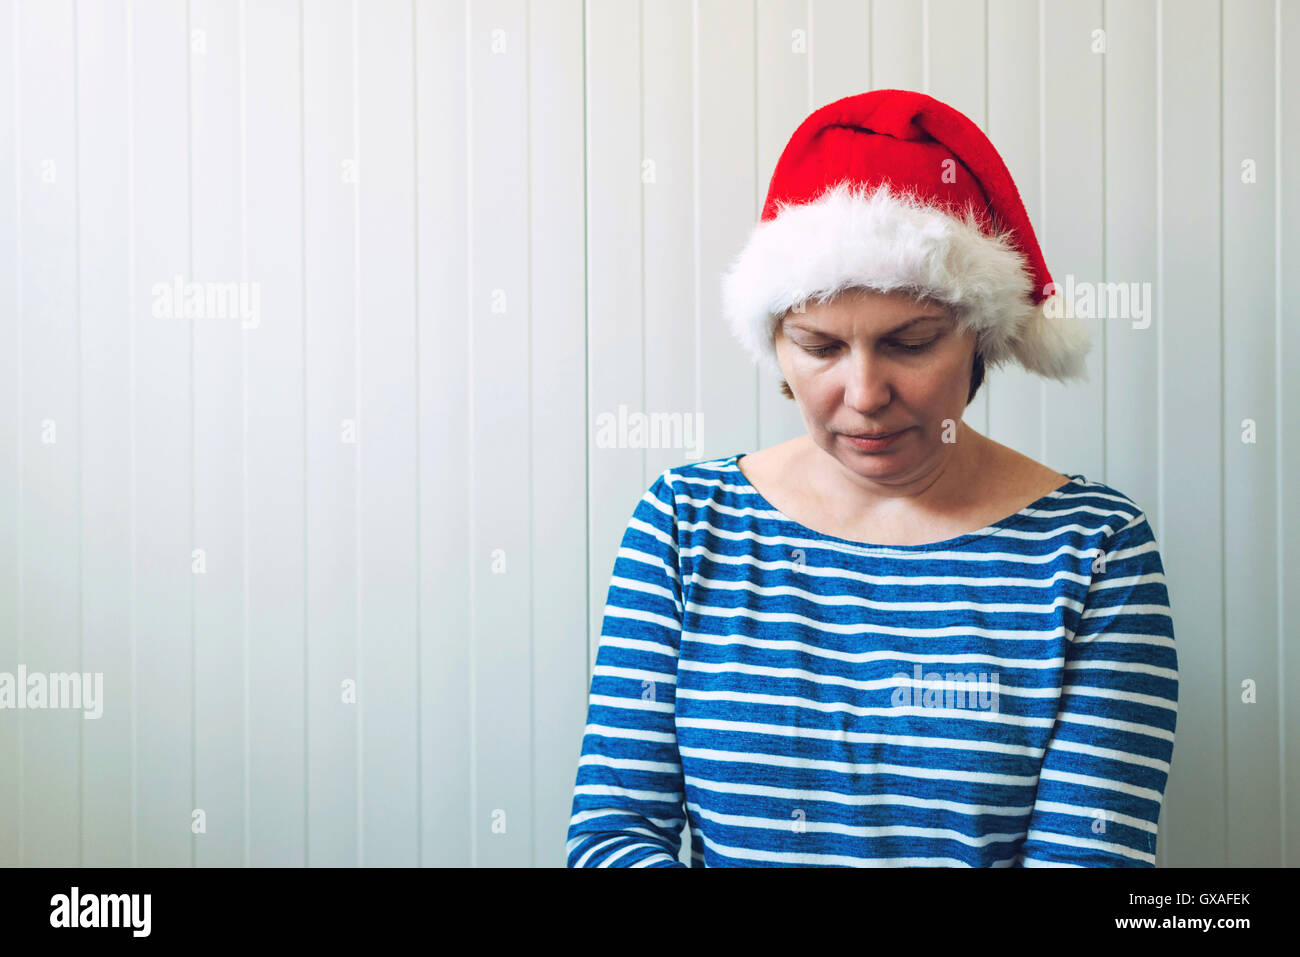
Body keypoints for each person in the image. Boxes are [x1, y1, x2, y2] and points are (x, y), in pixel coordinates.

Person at [565, 89, 1178, 867]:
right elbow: (613, 837)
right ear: (775, 344)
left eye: (911, 343)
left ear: (980, 339)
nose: (863, 395)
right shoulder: (685, 524)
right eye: (820, 347)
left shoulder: (1094, 550)